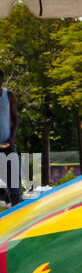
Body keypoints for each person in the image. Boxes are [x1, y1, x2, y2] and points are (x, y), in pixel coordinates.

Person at [0, 70, 21, 207]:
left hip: (7, 145)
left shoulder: (8, 95)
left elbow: (15, 119)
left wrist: (11, 139)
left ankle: (16, 213)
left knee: (14, 185)